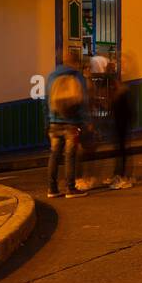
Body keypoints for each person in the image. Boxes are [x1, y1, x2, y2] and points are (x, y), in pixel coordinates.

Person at [46, 50, 90, 198]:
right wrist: (85, 121)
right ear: (76, 62)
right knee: (70, 156)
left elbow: (45, 100)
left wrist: (48, 120)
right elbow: (83, 102)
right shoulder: (77, 76)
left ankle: (52, 189)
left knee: (54, 156)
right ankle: (70, 189)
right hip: (71, 123)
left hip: (54, 122)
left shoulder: (52, 76)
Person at [107, 56, 136, 190]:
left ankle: (124, 176)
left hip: (122, 123)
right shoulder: (121, 91)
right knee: (120, 149)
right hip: (120, 122)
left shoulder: (123, 91)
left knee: (122, 149)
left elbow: (126, 110)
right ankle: (120, 174)